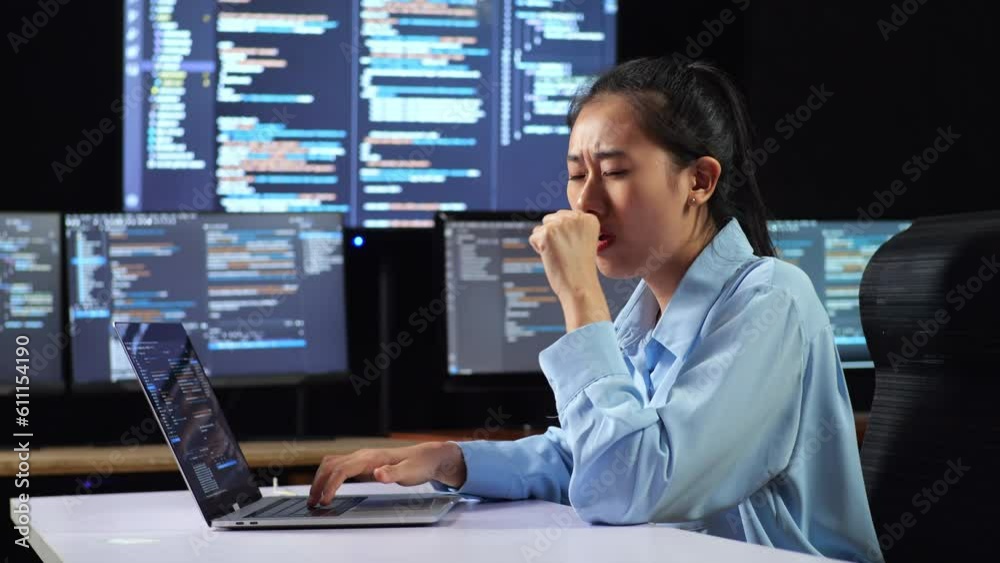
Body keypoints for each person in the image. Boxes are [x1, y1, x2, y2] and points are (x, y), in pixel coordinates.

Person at [309, 57, 882, 562]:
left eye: (613, 173)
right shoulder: (650, 310)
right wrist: (450, 459)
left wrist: (580, 294)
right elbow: (588, 456)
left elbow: (626, 484)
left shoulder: (770, 299)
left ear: (700, 181)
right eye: (577, 174)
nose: (585, 202)